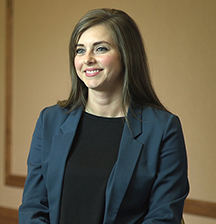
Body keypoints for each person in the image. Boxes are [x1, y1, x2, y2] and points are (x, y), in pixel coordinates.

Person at [18, 8, 189, 224]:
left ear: (126, 55)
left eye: (100, 48)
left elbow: (163, 216)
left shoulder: (163, 128)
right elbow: (34, 206)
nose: (87, 59)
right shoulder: (50, 120)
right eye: (80, 50)